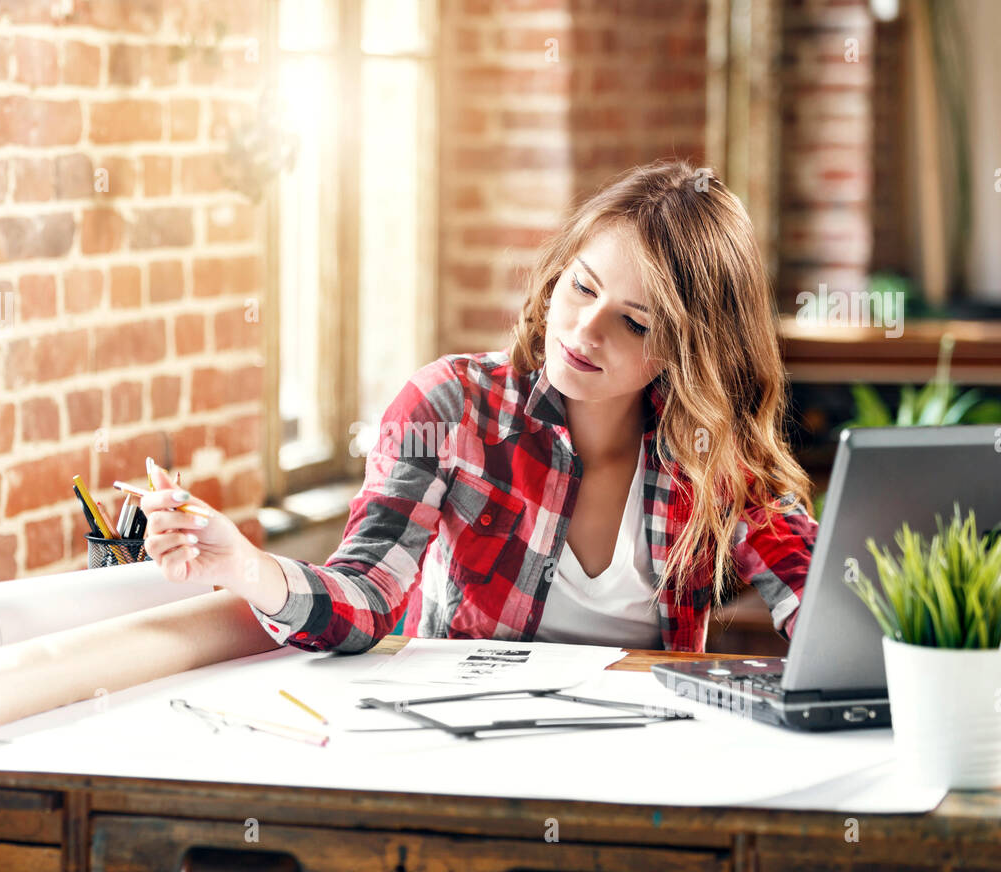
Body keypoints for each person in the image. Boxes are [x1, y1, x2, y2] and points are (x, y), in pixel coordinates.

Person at [142, 159, 818, 657]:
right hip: (468, 756)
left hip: (638, 768)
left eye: (635, 323)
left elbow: (814, 601)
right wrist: (242, 565)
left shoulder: (711, 448)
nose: (586, 330)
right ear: (557, 275)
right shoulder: (450, 406)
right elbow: (364, 599)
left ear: (686, 350)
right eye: (582, 288)